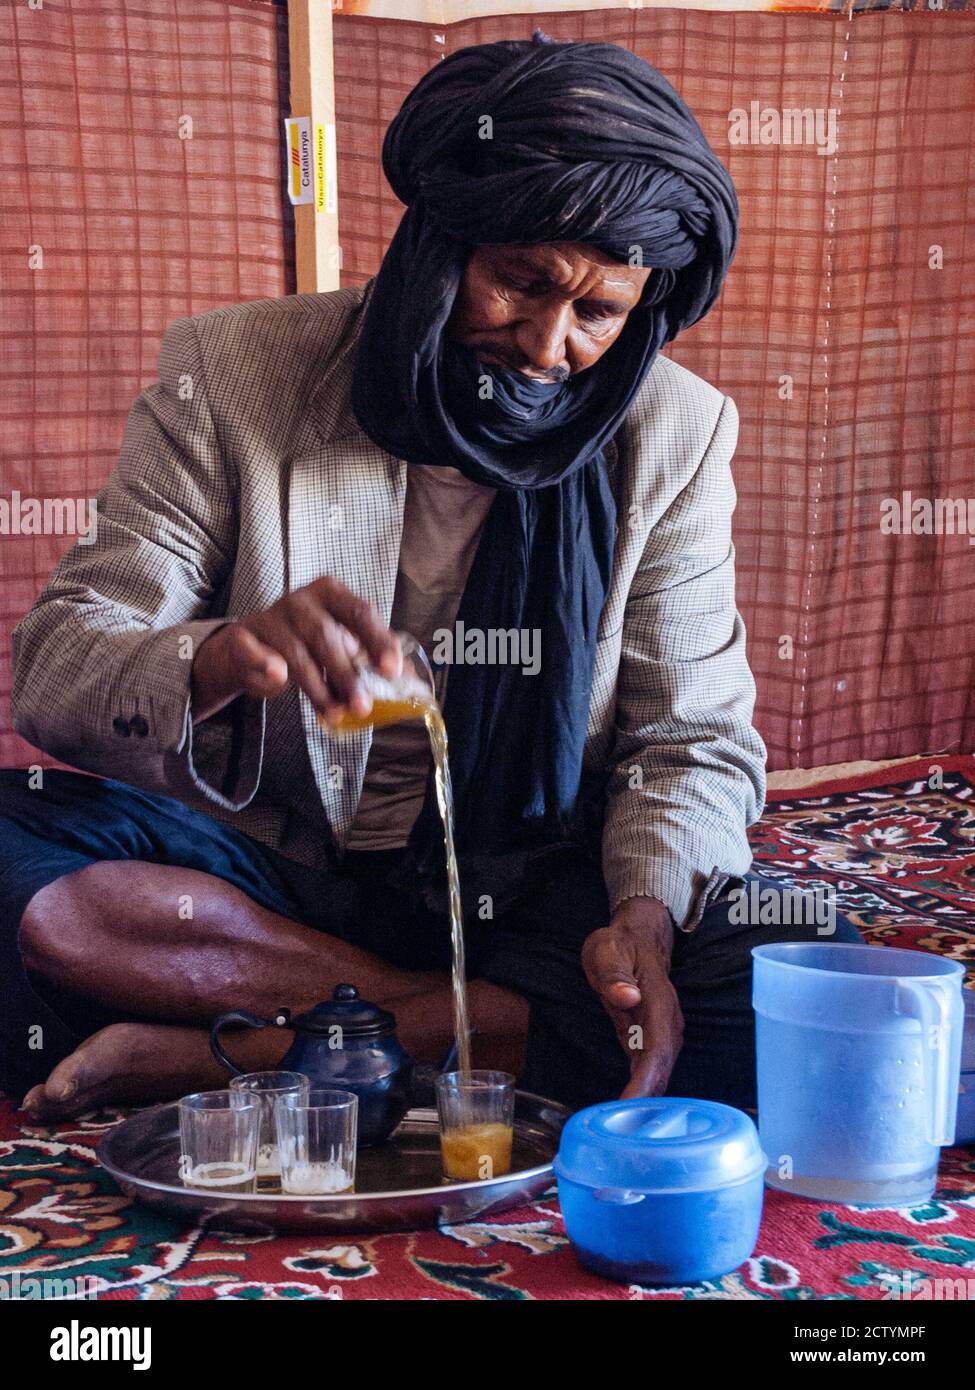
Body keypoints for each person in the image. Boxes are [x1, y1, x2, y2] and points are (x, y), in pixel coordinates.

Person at [0, 34, 858, 1121]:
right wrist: (216, 655)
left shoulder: (674, 434)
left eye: (598, 313)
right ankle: (455, 1029)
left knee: (788, 965)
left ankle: (220, 1053)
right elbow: (57, 669)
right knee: (14, 862)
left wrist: (640, 919)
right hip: (267, 875)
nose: (550, 346)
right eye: (522, 283)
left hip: (521, 878)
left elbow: (690, 736)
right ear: (442, 244)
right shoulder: (230, 374)